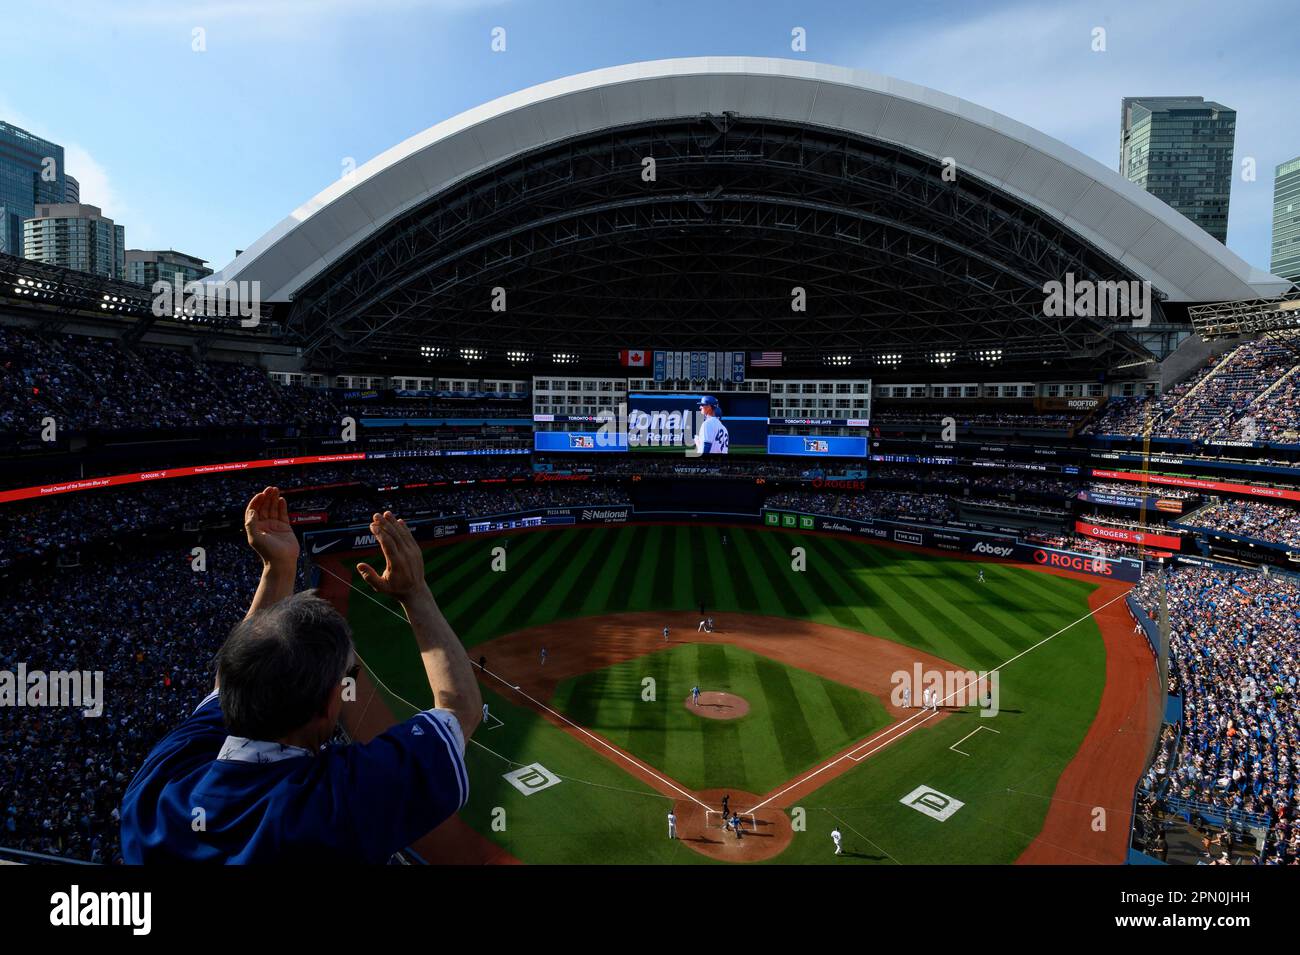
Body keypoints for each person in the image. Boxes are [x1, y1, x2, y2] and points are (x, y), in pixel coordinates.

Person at [119, 489, 482, 863]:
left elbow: (229, 682)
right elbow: (460, 710)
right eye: (347, 677)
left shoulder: (156, 789)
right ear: (327, 704)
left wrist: (278, 568)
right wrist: (415, 592)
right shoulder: (334, 805)